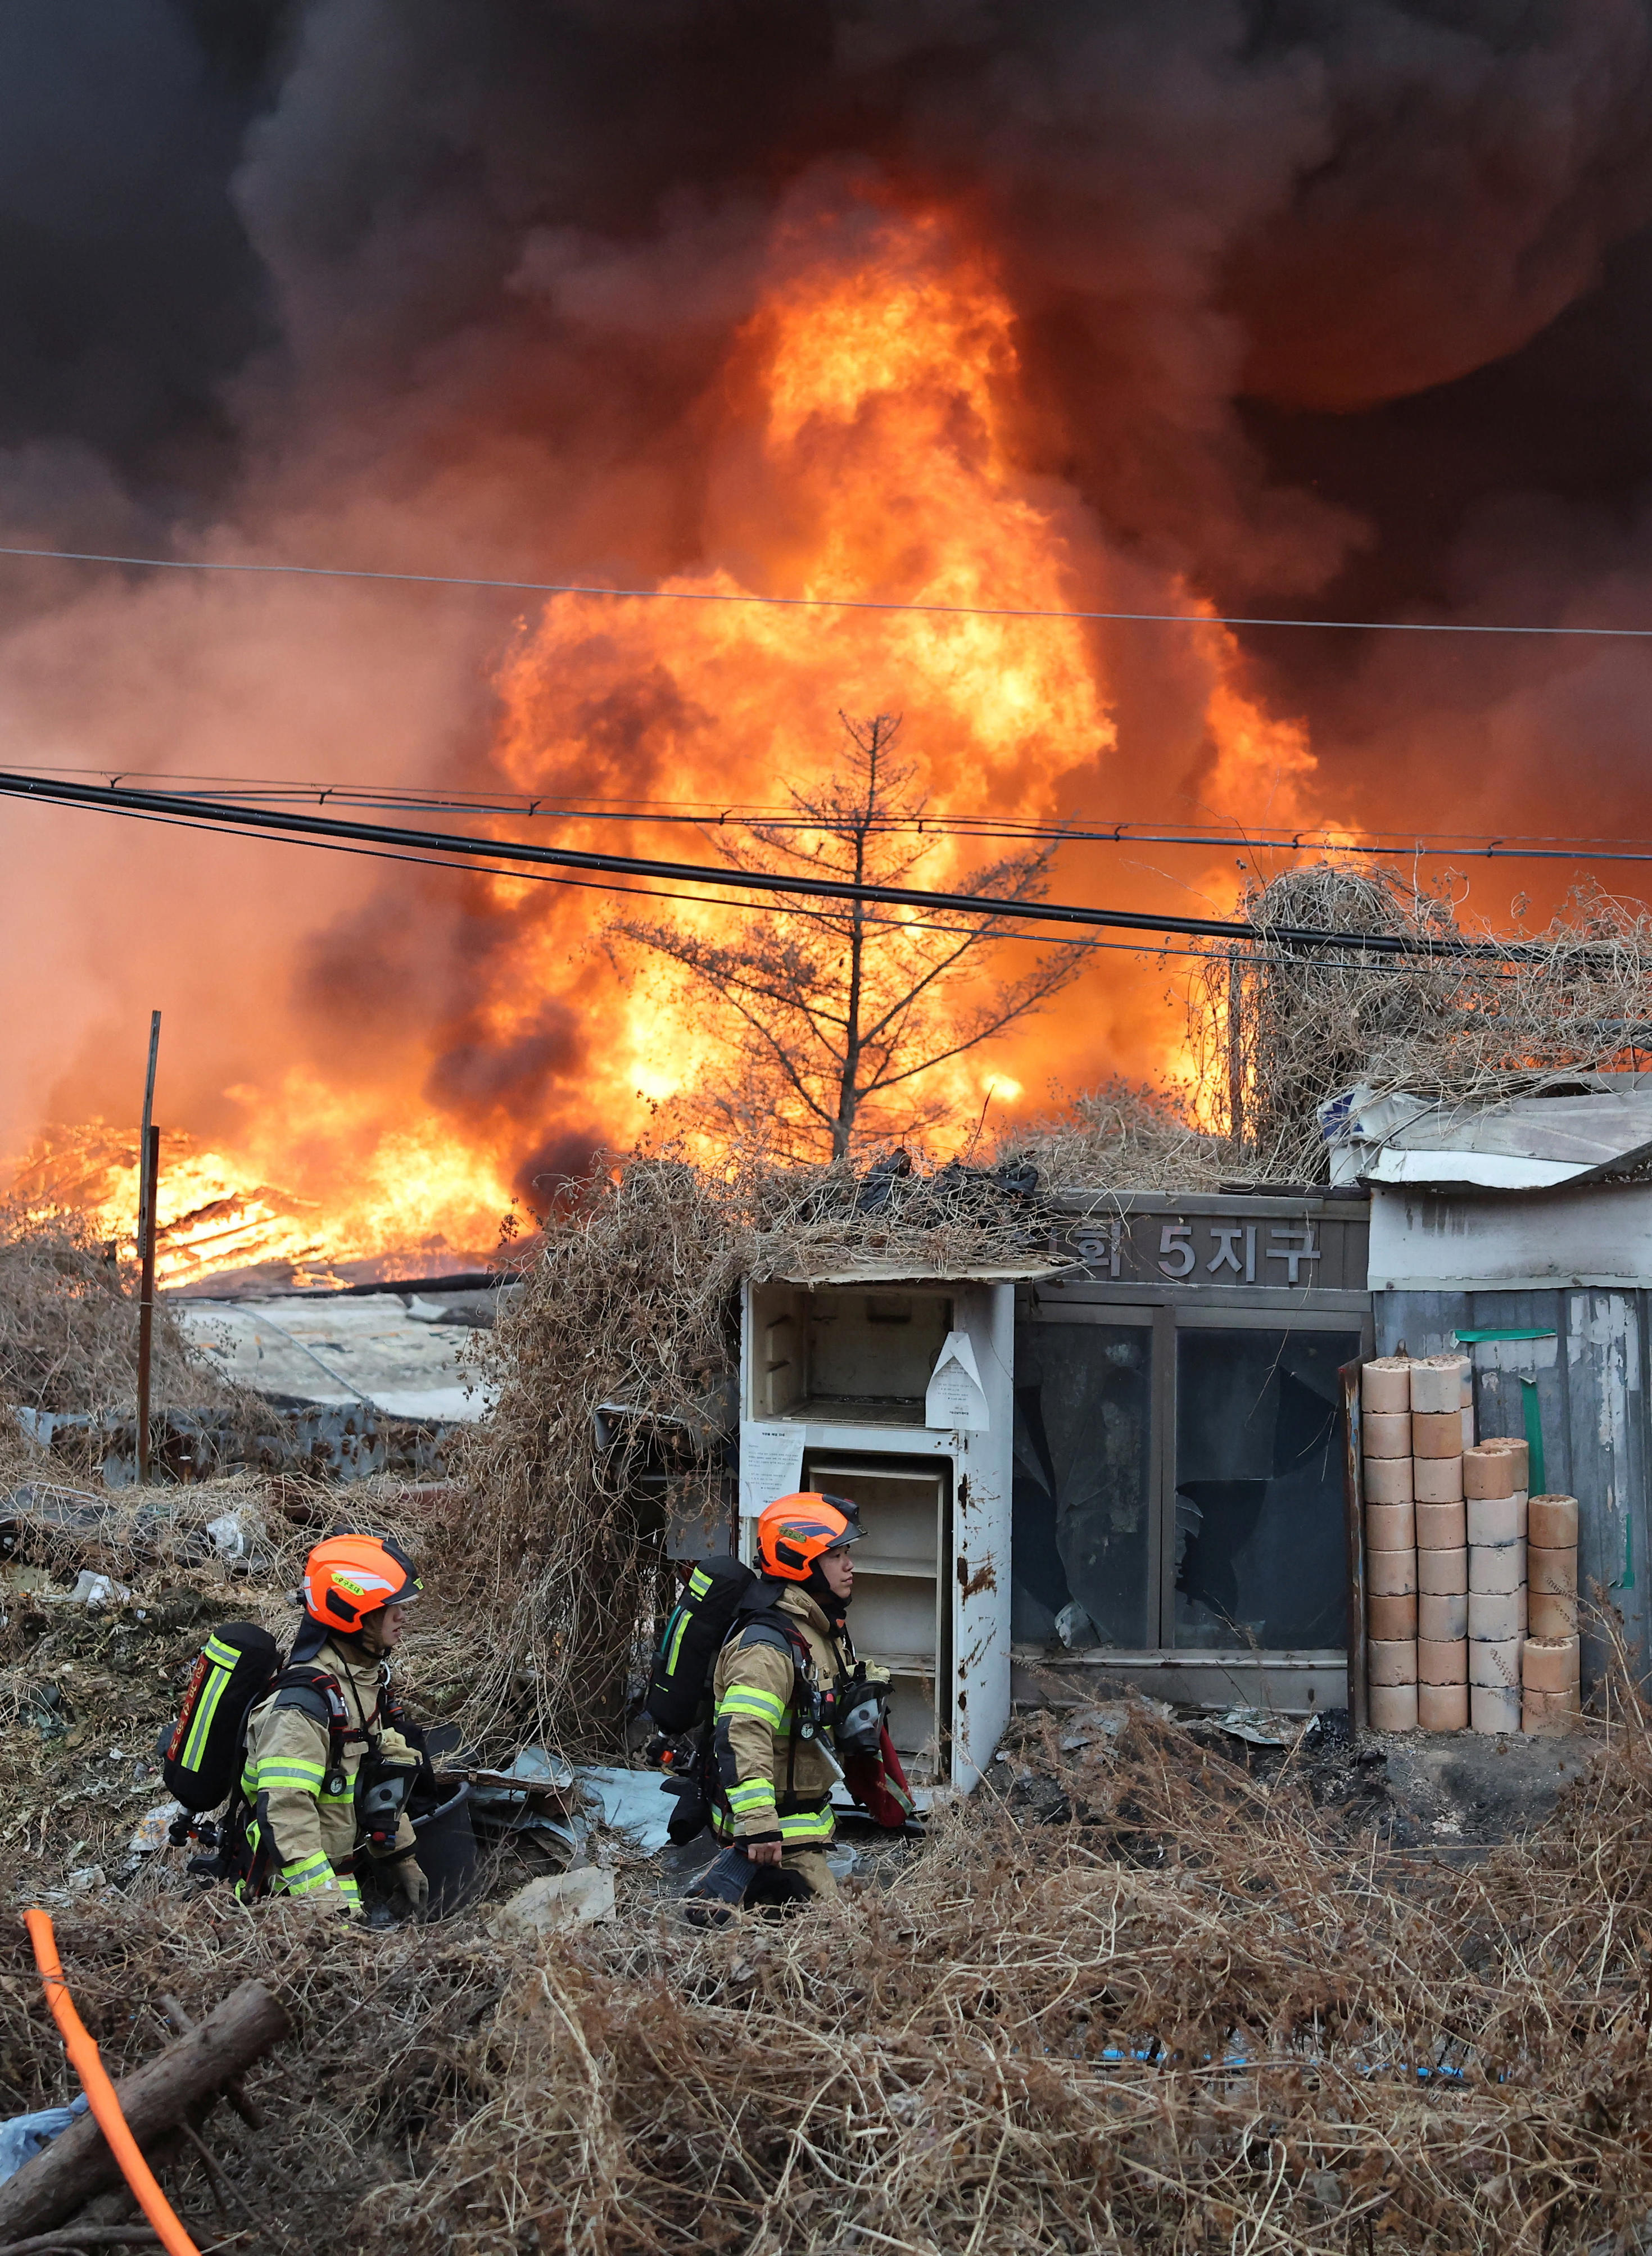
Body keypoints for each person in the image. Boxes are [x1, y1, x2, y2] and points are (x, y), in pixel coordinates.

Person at [239, 1532, 429, 1919]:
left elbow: (376, 1775)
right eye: (391, 1607)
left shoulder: (358, 1680)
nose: (402, 1617)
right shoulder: (301, 1708)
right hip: (287, 1900)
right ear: (351, 1611)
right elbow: (287, 1816)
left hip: (340, 1873)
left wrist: (402, 1857)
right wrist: (330, 1910)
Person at [708, 1493, 864, 1902]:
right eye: (835, 1555)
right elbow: (743, 1731)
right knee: (824, 1944)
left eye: (846, 1553)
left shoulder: (817, 1627)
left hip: (801, 1830)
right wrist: (759, 1824)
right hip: (771, 1843)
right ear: (800, 1560)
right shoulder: (768, 1646)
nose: (849, 1565)